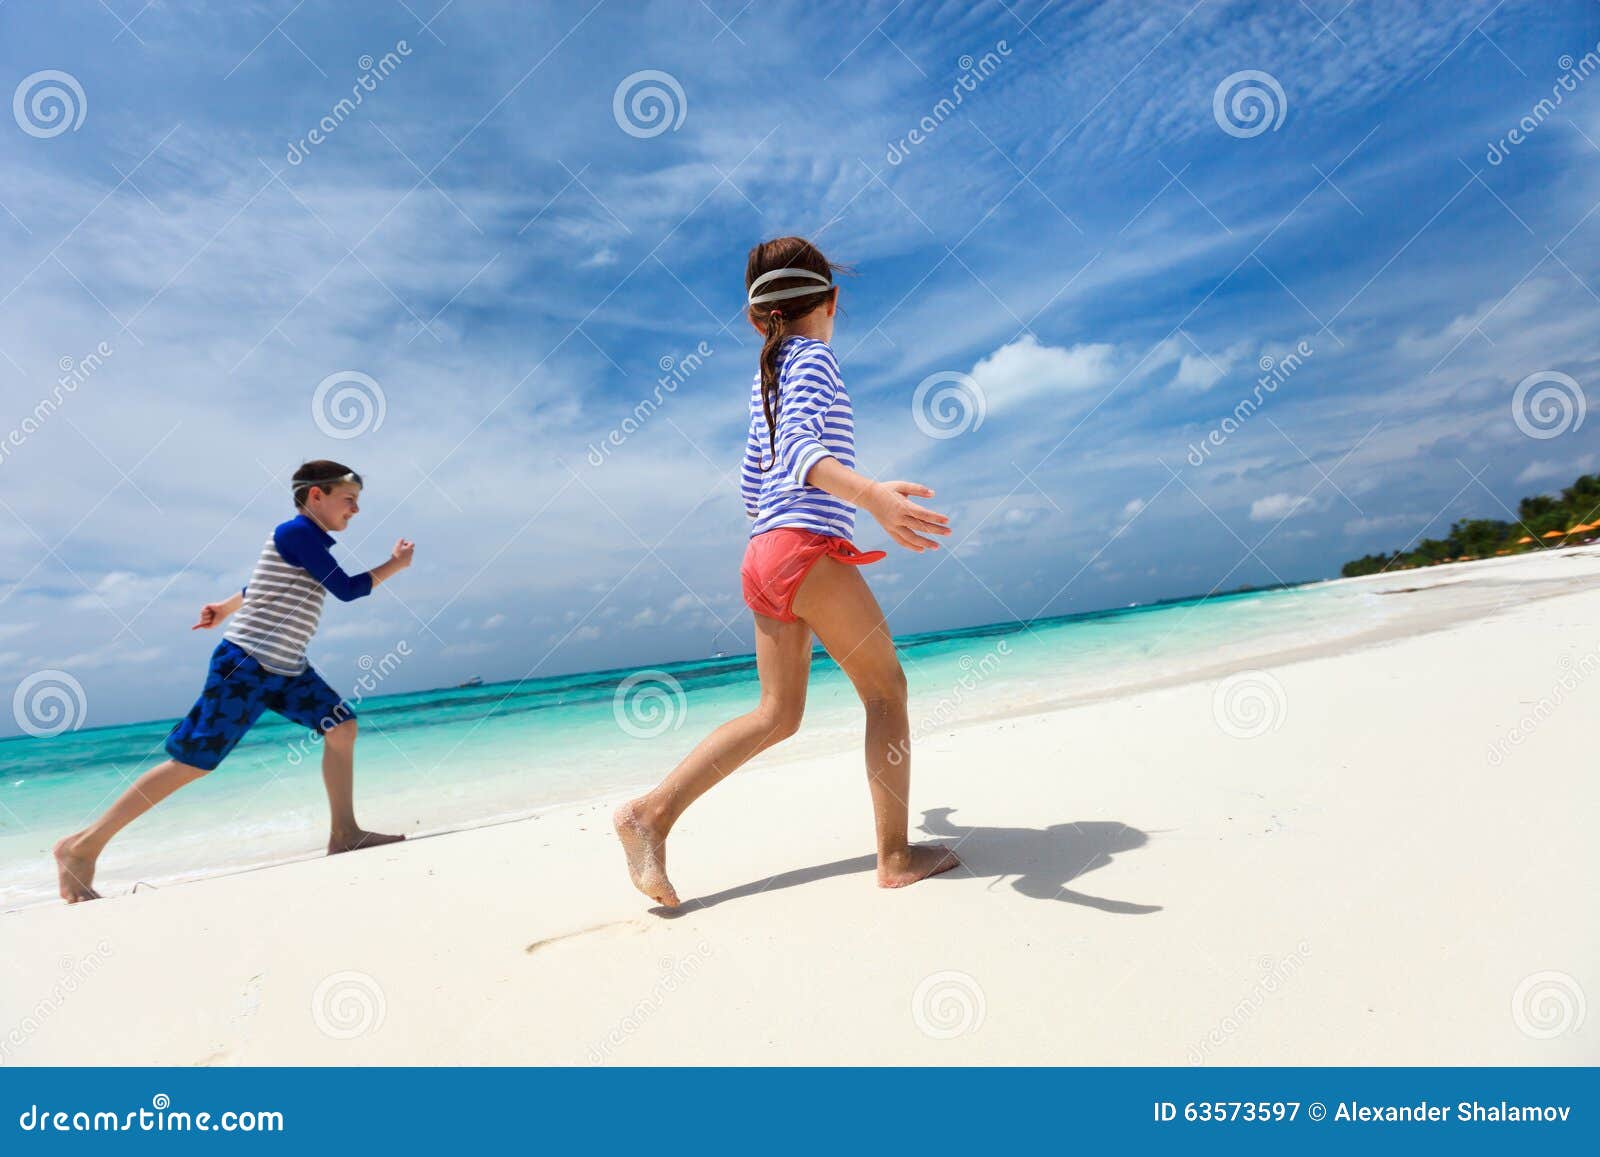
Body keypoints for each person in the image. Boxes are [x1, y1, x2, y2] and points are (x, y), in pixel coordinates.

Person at [614, 236, 959, 907]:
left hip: (764, 552)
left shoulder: (766, 378)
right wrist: (871, 497)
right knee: (886, 691)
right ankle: (894, 854)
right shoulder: (815, 360)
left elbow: (755, 482)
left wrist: (819, 502)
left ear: (755, 319)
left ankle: (648, 815)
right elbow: (801, 449)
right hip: (805, 550)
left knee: (777, 713)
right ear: (833, 302)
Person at [52, 460, 414, 903]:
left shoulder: (305, 543)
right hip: (244, 665)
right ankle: (81, 847)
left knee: (341, 726)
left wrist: (225, 606)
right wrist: (395, 565)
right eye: (349, 499)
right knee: (192, 761)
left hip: (287, 668)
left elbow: (263, 585)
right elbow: (347, 589)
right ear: (315, 496)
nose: (356, 510)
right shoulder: (296, 532)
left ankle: (344, 831)